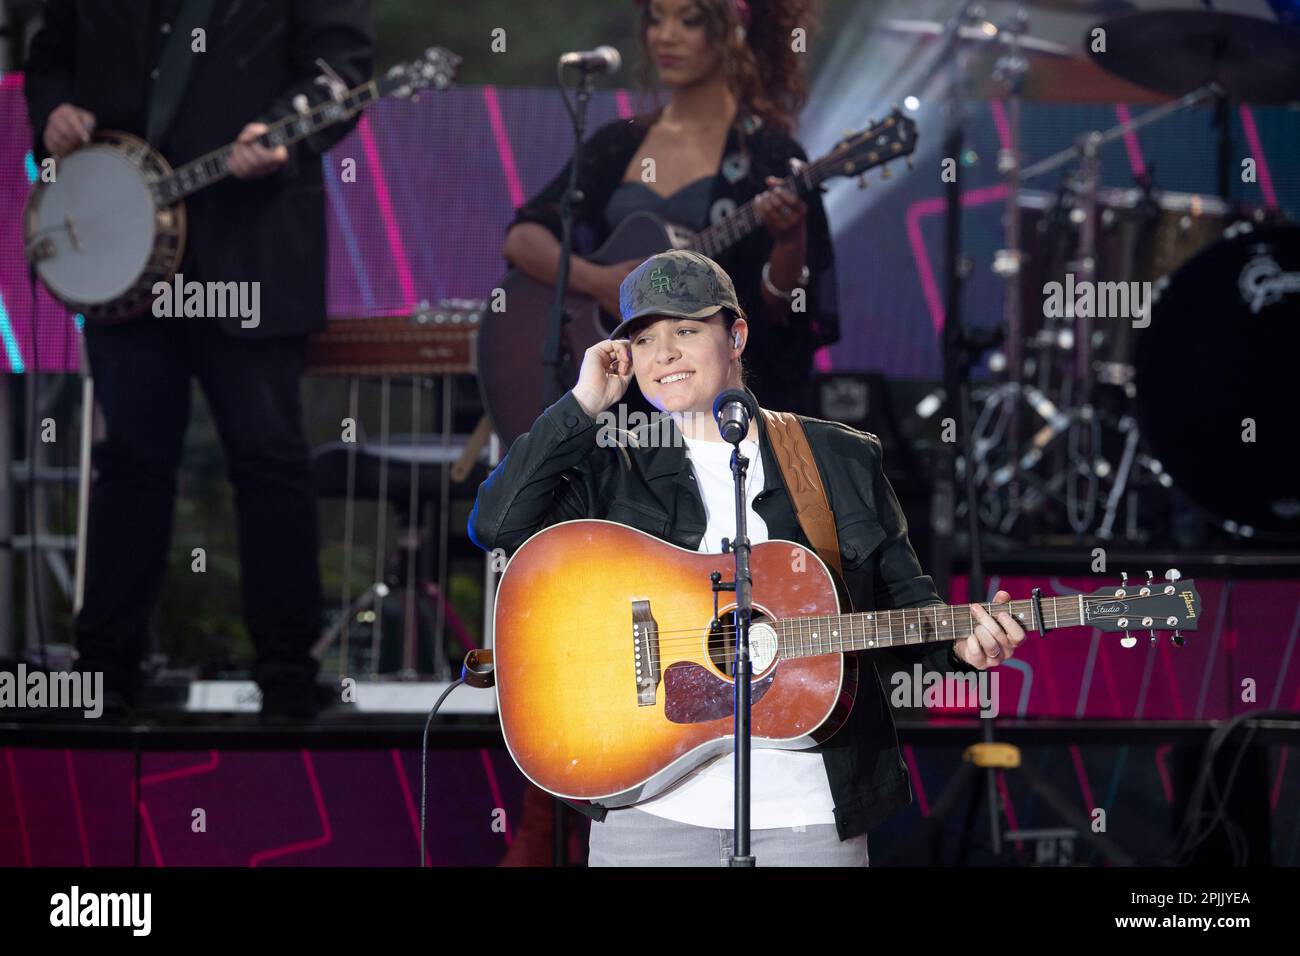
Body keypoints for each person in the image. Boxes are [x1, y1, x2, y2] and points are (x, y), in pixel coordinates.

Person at [469, 250, 1027, 866]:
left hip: (808, 818)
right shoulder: (612, 468)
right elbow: (496, 524)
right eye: (645, 339)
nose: (665, 355)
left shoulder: (835, 459)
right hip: (651, 813)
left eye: (686, 330)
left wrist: (962, 645)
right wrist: (581, 404)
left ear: (735, 336)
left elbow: (905, 606)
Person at [24, 0, 374, 720]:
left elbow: (342, 69)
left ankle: (285, 677)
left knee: (267, 458)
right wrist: (54, 106)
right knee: (129, 462)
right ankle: (104, 670)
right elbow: (50, 51)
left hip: (252, 246)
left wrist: (284, 131)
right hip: (125, 251)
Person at [503, 0, 837, 417]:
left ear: (731, 32)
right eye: (656, 19)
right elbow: (523, 238)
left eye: (689, 20)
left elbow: (779, 311)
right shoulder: (617, 144)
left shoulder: (771, 157)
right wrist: (601, 281)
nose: (665, 35)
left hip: (710, 408)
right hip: (613, 399)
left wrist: (790, 242)